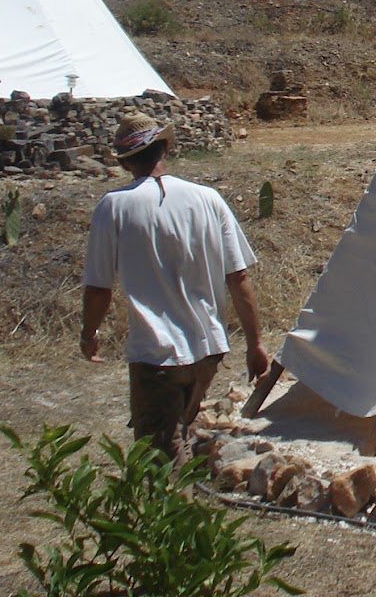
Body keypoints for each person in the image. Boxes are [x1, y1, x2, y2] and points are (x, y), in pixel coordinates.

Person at [81, 114, 270, 462]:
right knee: (180, 432)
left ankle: (177, 511)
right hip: (208, 348)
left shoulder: (114, 207)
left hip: (157, 353)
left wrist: (89, 332)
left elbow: (99, 288)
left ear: (124, 161)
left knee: (159, 456)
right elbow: (238, 278)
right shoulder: (208, 199)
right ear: (165, 148)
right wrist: (255, 343)